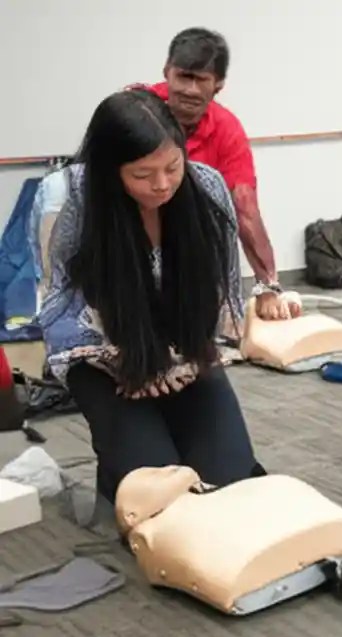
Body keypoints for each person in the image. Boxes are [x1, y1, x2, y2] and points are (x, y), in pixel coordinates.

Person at [37, 90, 266, 506]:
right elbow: (59, 306)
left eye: (172, 166)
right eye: (142, 175)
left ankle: (150, 447)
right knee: (163, 503)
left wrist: (188, 358)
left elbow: (219, 286)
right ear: (110, 171)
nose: (162, 185)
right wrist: (122, 361)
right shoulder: (69, 198)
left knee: (231, 492)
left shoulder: (206, 187)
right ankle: (120, 468)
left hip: (183, 350)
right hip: (107, 357)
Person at [129, 28, 295, 320]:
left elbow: (244, 208)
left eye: (201, 80)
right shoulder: (133, 110)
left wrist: (268, 285)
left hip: (187, 251)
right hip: (127, 240)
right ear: (167, 72)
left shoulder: (227, 130)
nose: (190, 90)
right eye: (184, 77)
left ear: (218, 84)